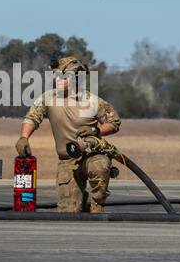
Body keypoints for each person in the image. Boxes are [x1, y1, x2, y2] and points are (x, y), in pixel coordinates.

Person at [16, 56, 121, 213]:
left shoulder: (92, 101)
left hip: (92, 154)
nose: (58, 79)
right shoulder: (48, 98)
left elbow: (114, 123)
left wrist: (96, 131)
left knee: (99, 167)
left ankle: (97, 204)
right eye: (57, 76)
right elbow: (32, 117)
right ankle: (81, 201)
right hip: (67, 161)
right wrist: (24, 138)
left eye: (64, 77)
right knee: (68, 212)